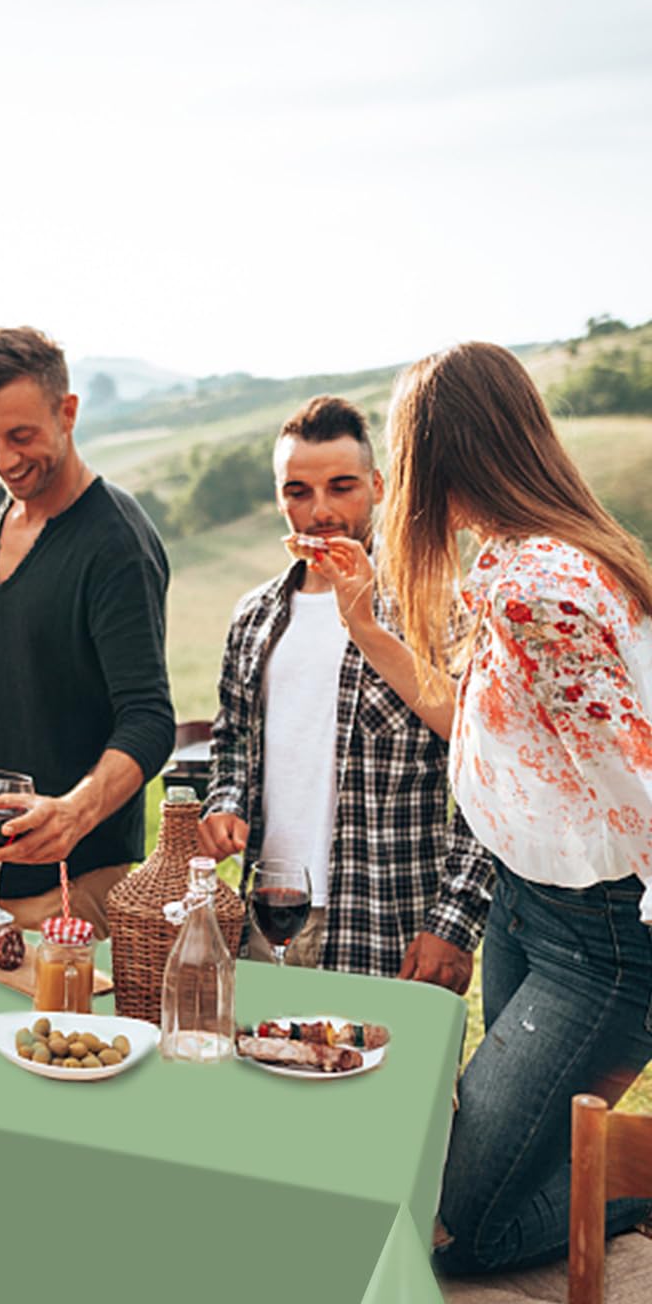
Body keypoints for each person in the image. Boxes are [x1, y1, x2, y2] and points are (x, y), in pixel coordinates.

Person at [378, 342, 652, 1277]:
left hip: (601, 941)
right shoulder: (529, 564)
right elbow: (499, 737)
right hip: (527, 907)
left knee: (460, 1226)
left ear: (436, 457)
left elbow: (635, 785)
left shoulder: (541, 592)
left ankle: (639, 1182)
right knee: (485, 1163)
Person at [198, 396, 492, 982]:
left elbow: (488, 770)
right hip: (269, 916)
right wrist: (226, 804)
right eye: (298, 492)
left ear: (378, 486)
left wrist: (454, 921)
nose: (320, 511)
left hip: (393, 924)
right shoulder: (254, 617)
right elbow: (231, 741)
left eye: (342, 487)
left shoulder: (435, 607)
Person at [0, 326, 174, 932]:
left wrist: (74, 812)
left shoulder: (117, 544)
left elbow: (150, 719)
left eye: (22, 436)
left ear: (67, 412)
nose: (5, 457)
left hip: (64, 885)